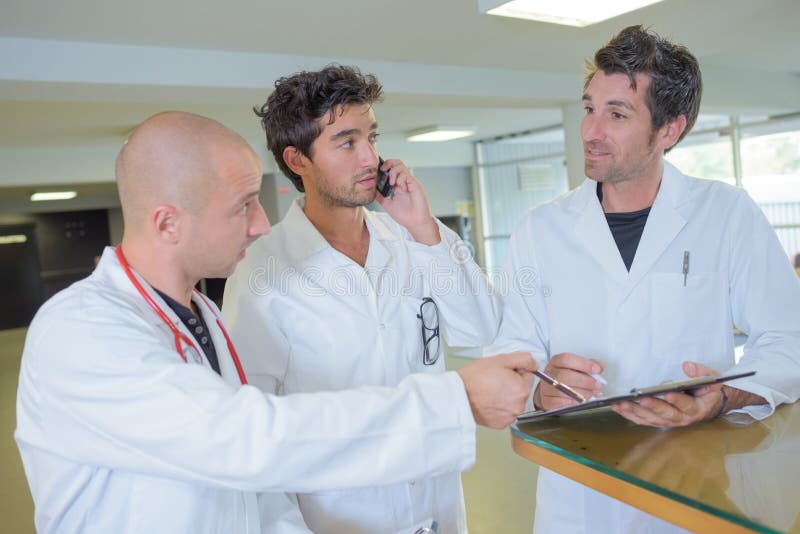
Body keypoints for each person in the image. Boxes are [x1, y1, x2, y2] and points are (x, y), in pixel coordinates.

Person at [14, 111, 538, 534]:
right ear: (167, 222)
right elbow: (245, 438)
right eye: (244, 205)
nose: (262, 222)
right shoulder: (81, 331)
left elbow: (255, 496)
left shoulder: (202, 318)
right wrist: (453, 401)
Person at [489, 25, 800, 533]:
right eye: (590, 108)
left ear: (669, 131)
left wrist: (724, 396)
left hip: (692, 491)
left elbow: (790, 338)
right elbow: (510, 351)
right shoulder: (539, 229)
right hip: (578, 500)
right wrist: (541, 392)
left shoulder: (726, 214)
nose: (590, 131)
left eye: (617, 115)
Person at [222, 65, 501, 534]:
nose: (371, 157)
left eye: (371, 137)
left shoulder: (411, 237)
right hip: (339, 517)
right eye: (347, 143)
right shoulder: (262, 273)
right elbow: (252, 434)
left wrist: (424, 228)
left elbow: (483, 330)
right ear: (298, 160)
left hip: (437, 508)